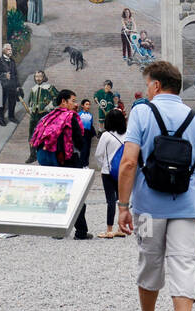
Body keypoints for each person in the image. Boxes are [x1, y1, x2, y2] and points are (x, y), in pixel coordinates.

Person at [118, 60, 195, 311]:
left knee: (150, 261)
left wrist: (123, 206)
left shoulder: (141, 112)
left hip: (148, 209)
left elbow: (128, 163)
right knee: (184, 266)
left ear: (156, 85)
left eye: (148, 84)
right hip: (187, 209)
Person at [31, 89, 91, 239]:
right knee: (77, 195)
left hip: (50, 161)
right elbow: (79, 141)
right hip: (67, 160)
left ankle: (56, 231)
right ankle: (81, 231)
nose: (76, 104)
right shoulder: (70, 116)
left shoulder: (48, 117)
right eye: (73, 100)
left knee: (55, 194)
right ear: (63, 101)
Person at [93, 108, 128, 238]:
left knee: (111, 201)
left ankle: (109, 230)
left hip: (108, 172)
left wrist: (103, 166)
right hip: (123, 171)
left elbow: (98, 154)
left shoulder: (106, 135)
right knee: (122, 200)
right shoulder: (127, 134)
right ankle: (121, 228)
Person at [26, 70, 58, 163]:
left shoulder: (49, 88)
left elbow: (57, 98)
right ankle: (32, 155)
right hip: (34, 115)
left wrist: (50, 106)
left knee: (45, 135)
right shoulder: (33, 89)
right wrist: (31, 107)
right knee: (32, 135)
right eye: (36, 77)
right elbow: (30, 101)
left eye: (40, 76)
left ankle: (45, 155)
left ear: (44, 77)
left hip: (45, 115)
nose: (38, 78)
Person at [0, 43, 20, 126]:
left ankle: (11, 117)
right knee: (1, 103)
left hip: (12, 85)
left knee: (12, 102)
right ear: (4, 50)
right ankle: (1, 119)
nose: (10, 51)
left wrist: (18, 86)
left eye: (11, 49)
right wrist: (4, 75)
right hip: (3, 85)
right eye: (9, 49)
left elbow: (15, 74)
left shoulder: (12, 61)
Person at [77, 98, 96, 168]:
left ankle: (86, 164)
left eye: (89, 104)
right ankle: (81, 165)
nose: (88, 106)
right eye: (86, 104)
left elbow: (91, 125)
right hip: (82, 133)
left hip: (88, 134)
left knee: (88, 149)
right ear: (82, 105)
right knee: (83, 149)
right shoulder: (79, 114)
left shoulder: (90, 115)